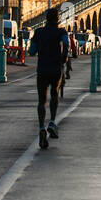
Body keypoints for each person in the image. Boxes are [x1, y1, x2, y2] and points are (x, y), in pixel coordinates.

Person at [28, 8, 69, 149]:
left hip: (42, 69)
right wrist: (64, 57)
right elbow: (66, 44)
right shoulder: (61, 32)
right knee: (54, 94)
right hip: (56, 68)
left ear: (46, 19)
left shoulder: (38, 32)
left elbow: (32, 51)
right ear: (57, 19)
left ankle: (41, 128)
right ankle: (52, 121)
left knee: (41, 100)